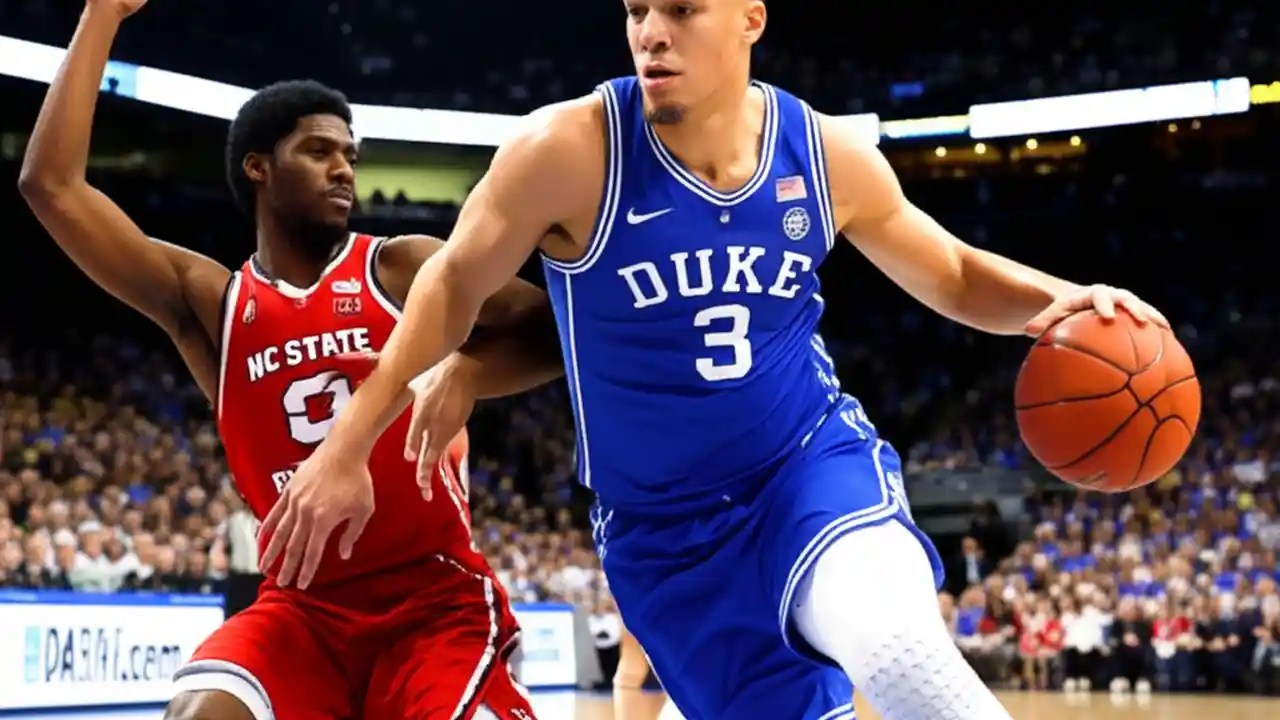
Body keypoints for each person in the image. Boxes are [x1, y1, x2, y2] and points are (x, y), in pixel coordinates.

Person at [267, 2, 1171, 718]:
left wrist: (1063, 299)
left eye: (683, 10)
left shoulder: (821, 155)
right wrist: (349, 446)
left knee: (902, 653)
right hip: (665, 531)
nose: (651, 34)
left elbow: (956, 273)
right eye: (635, 11)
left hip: (803, 466)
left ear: (751, 17)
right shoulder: (567, 150)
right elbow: (451, 287)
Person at [18, 1, 560, 718]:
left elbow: (555, 334)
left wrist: (466, 370)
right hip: (303, 609)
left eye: (351, 157)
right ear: (258, 167)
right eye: (320, 151)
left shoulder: (400, 268)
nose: (344, 169)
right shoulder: (211, 304)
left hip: (433, 601)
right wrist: (102, 14)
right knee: (199, 712)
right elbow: (50, 186)